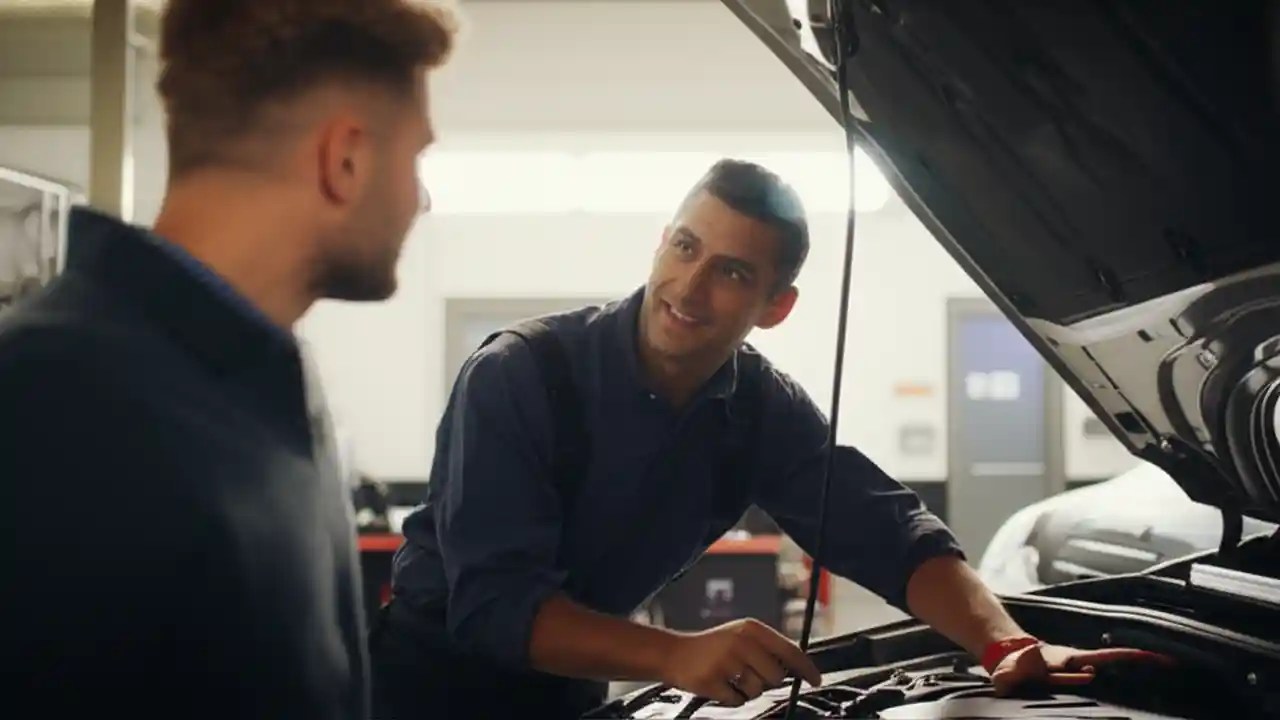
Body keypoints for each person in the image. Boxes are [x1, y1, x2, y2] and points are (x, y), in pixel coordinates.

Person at [370, 158, 1169, 718]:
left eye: (733, 272)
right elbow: (495, 610)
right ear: (660, 243)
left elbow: (883, 531)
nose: (690, 287)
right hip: (429, 686)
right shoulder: (522, 374)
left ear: (775, 307)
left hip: (571, 684)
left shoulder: (758, 408)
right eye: (685, 247)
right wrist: (677, 655)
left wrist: (1006, 642)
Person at [0, 1, 457, 718]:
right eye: (416, 157)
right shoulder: (47, 405)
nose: (420, 200)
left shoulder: (264, 388)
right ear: (345, 159)